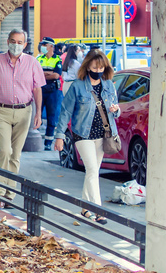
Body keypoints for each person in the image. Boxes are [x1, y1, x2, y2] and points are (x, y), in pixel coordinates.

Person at [0, 29, 45, 207]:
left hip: (24, 112)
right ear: (7, 41)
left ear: (25, 44)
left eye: (20, 42)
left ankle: (11, 193)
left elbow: (37, 89)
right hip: (1, 111)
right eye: (13, 41)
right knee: (5, 151)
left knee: (15, 154)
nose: (16, 45)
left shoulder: (32, 63)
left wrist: (38, 113)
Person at [54, 49, 120, 224]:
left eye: (101, 68)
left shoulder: (109, 85)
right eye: (94, 67)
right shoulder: (77, 86)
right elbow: (65, 111)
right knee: (92, 170)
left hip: (103, 134)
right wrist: (59, 136)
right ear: (87, 66)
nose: (98, 71)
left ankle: (85, 208)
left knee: (93, 172)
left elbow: (116, 109)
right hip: (83, 134)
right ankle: (99, 211)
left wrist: (116, 110)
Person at [36, 37, 63, 150]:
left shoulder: (57, 59)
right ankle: (36, 139)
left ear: (51, 46)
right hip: (40, 89)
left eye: (45, 44)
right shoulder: (39, 59)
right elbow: (36, 73)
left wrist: (43, 73)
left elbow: (56, 75)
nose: (43, 46)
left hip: (52, 91)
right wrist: (48, 73)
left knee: (51, 117)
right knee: (37, 114)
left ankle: (48, 142)